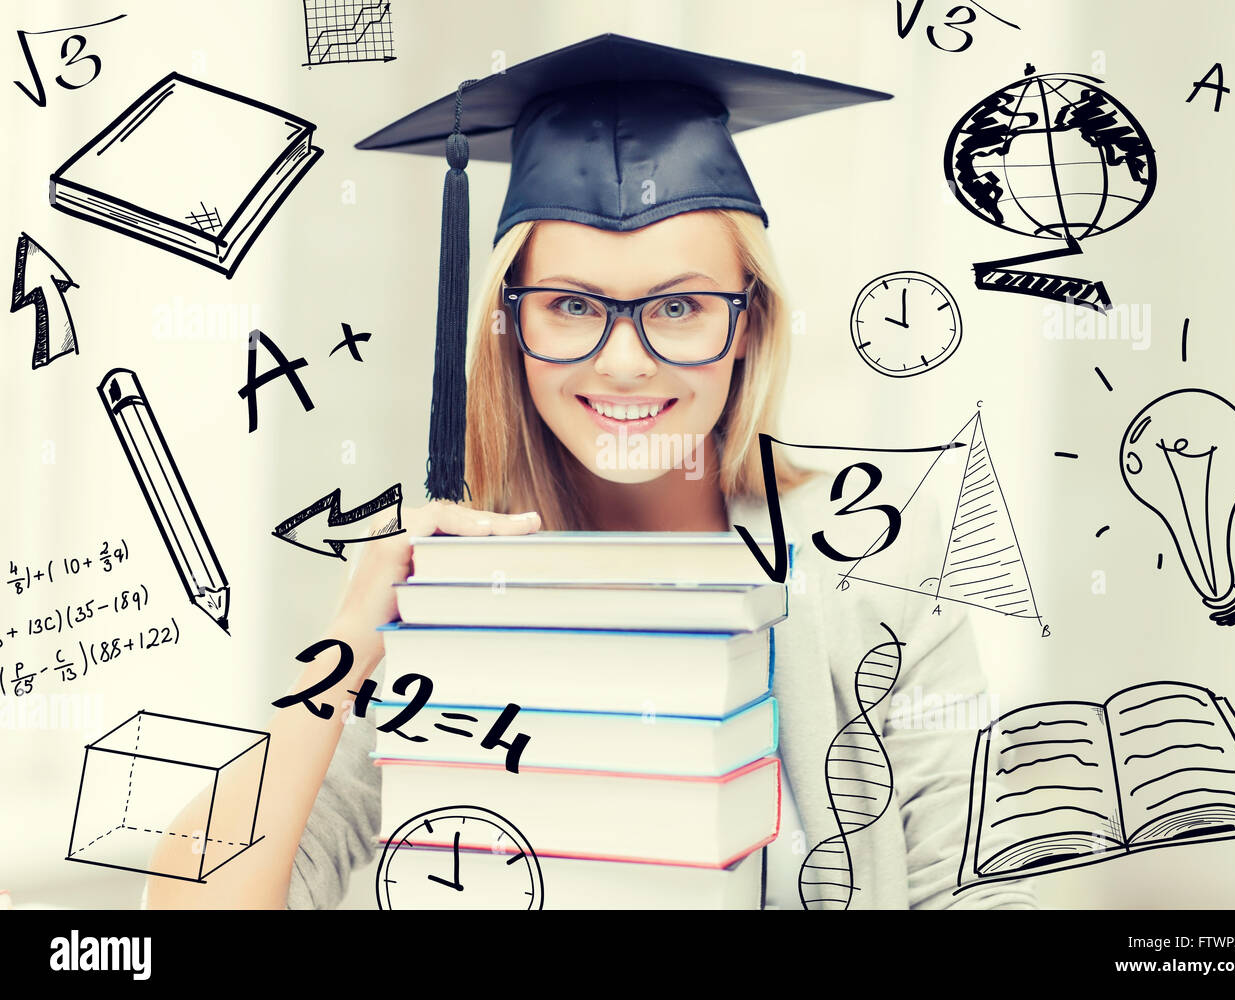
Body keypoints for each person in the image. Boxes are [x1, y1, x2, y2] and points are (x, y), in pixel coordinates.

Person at [147, 34, 1034, 910]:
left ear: (750, 327)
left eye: (679, 307)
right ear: (510, 328)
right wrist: (347, 646)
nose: (624, 363)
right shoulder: (451, 602)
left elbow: (976, 891)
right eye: (571, 305)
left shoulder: (880, 570)